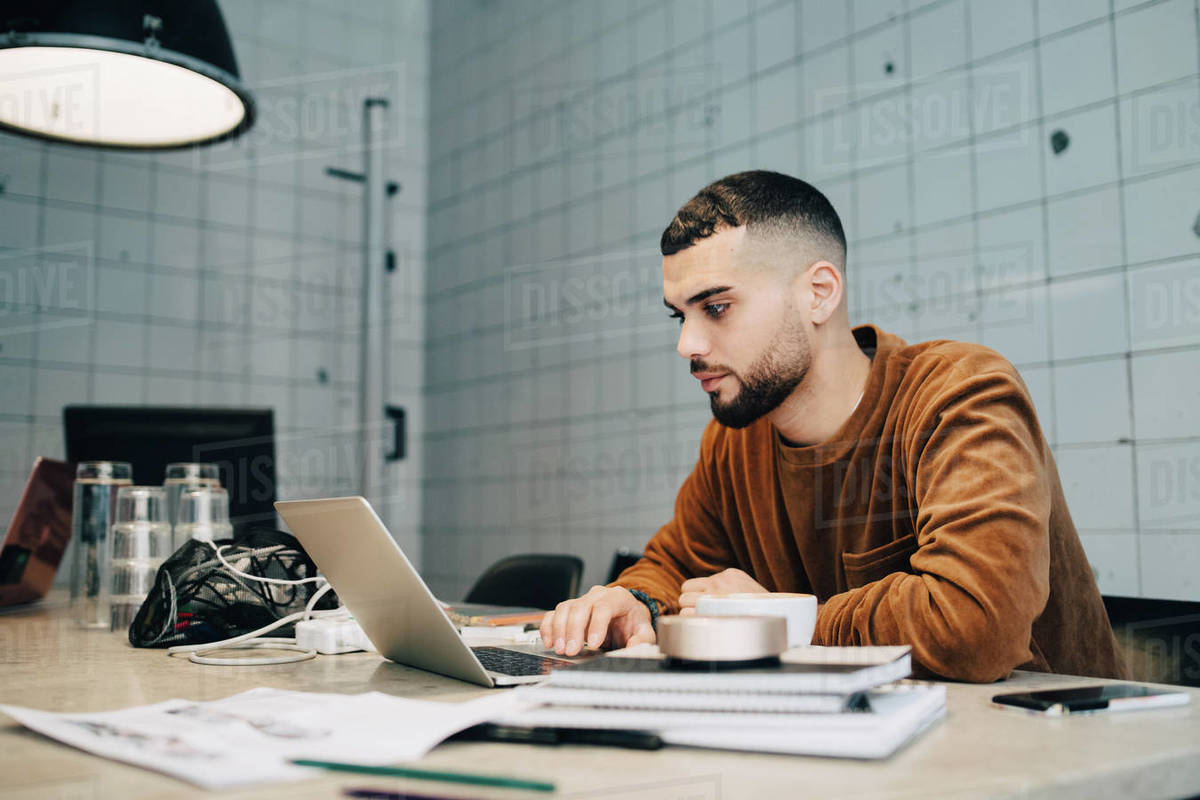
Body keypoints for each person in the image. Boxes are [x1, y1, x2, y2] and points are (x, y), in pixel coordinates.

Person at [540, 170, 1127, 683]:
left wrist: (786, 619)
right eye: (681, 315)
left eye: (715, 307)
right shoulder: (735, 437)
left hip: (1042, 753)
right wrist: (633, 600)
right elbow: (675, 564)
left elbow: (976, 622)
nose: (687, 344)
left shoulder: (959, 393)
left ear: (819, 294)